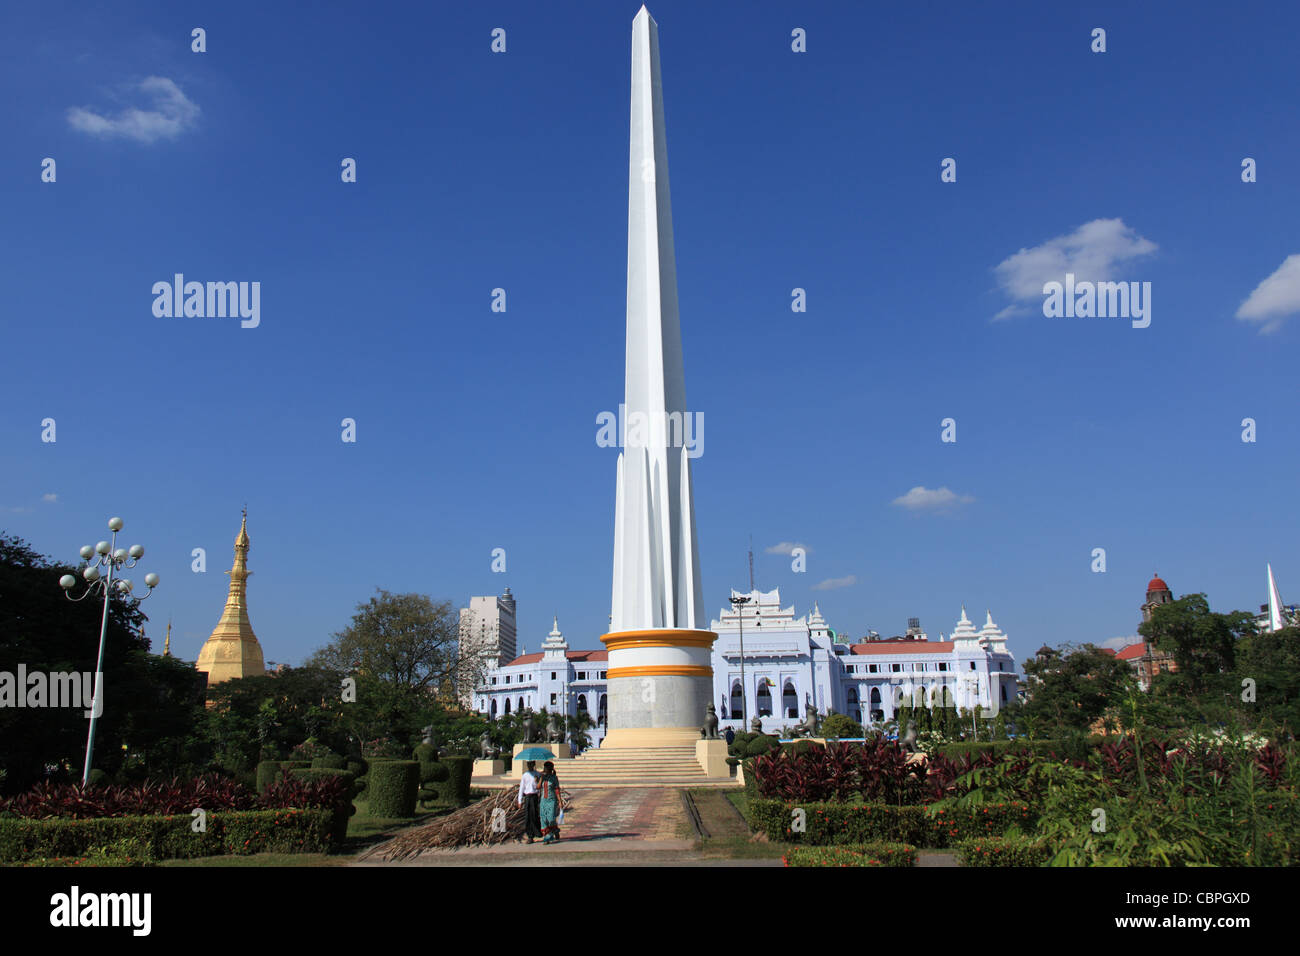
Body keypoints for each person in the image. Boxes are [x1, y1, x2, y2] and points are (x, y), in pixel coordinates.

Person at [538, 760, 566, 844]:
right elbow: (538, 787)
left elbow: (557, 790)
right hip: (543, 800)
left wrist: (560, 801)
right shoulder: (543, 777)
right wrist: (541, 778)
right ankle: (547, 836)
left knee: (550, 818)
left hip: (551, 800)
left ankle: (553, 832)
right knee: (543, 819)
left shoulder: (554, 778)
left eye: (546, 768)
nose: (545, 769)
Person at [517, 760, 541, 844]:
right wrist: (519, 800)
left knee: (534, 815)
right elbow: (521, 788)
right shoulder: (525, 775)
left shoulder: (537, 774)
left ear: (534, 764)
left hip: (534, 796)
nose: (529, 765)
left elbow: (539, 787)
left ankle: (537, 832)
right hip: (527, 796)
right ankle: (530, 835)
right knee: (528, 817)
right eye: (528, 764)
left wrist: (537, 781)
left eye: (531, 764)